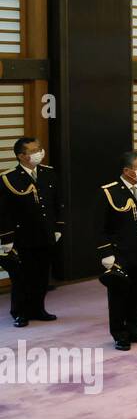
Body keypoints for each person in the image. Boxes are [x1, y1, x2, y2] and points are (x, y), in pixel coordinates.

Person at [98, 152, 137, 350]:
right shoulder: (110, 192)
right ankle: (120, 334)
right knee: (118, 296)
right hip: (121, 253)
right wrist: (106, 253)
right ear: (127, 170)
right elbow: (101, 227)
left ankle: (136, 330)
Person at [1, 137, 64, 327]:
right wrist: (6, 238)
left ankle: (38, 309)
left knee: (41, 274)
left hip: (45, 233)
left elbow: (57, 202)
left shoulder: (48, 173)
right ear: (21, 156)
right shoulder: (9, 178)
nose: (39, 152)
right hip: (23, 236)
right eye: (34, 150)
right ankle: (20, 312)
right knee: (22, 277)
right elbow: (3, 212)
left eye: (39, 148)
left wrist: (58, 227)